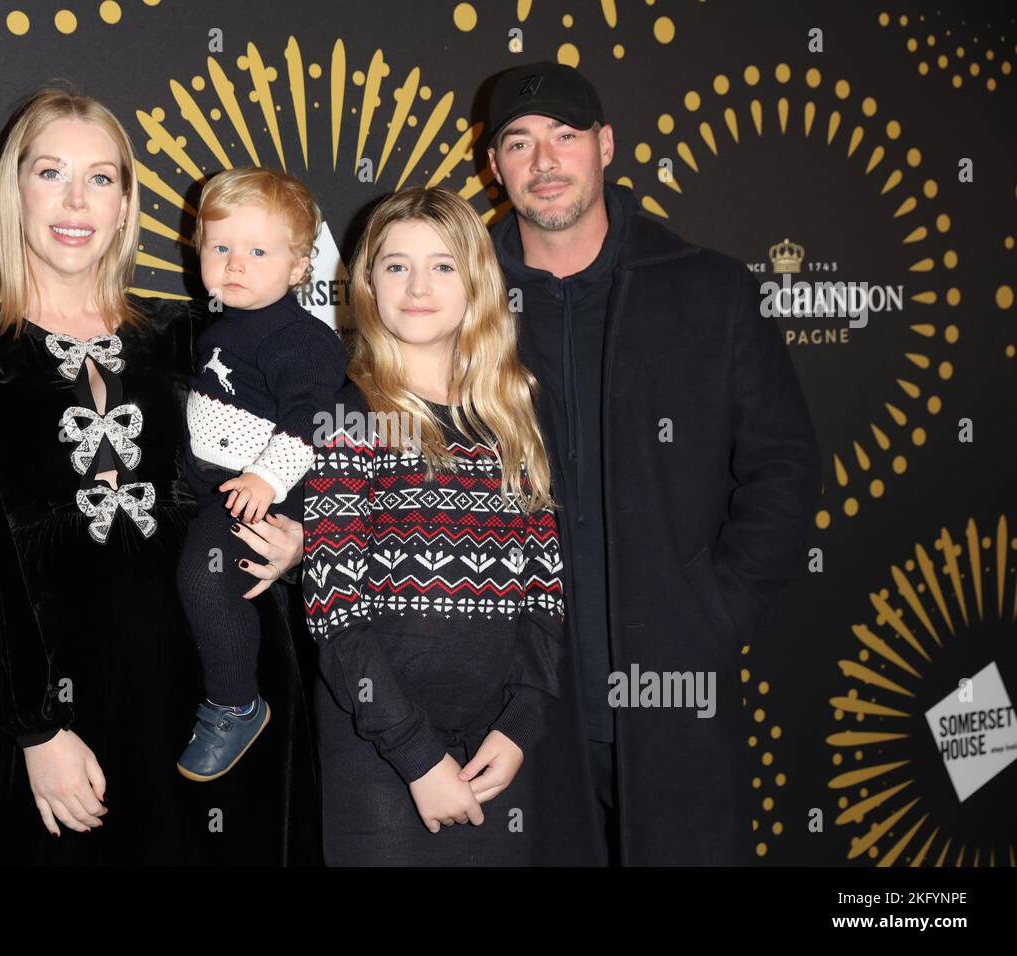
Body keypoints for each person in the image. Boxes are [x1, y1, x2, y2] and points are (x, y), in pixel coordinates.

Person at [0, 86, 310, 865]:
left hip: (207, 685)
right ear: (13, 191)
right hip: (61, 699)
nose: (75, 200)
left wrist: (297, 537)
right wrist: (34, 727)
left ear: (126, 204)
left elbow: (284, 442)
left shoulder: (189, 333)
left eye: (101, 179)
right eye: (51, 172)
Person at [483, 61, 821, 864]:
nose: (545, 161)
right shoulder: (456, 297)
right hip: (513, 702)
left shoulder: (709, 290)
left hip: (674, 694)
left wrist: (714, 610)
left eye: (565, 136)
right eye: (520, 142)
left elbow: (783, 464)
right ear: (494, 165)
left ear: (605, 146)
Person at [302, 186, 566, 865]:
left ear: (476, 281)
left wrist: (519, 728)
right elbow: (335, 614)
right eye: (396, 266)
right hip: (380, 760)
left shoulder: (512, 423)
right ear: (367, 283)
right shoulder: (351, 416)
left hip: (497, 753)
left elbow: (546, 600)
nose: (418, 286)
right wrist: (418, 759)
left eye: (442, 265)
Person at [174, 167, 346, 781]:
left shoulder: (300, 339)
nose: (235, 264)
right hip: (215, 488)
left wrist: (267, 482)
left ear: (300, 266)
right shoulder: (221, 327)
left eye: (257, 251)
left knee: (203, 578)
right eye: (220, 248)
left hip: (265, 496)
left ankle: (234, 704)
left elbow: (314, 420)